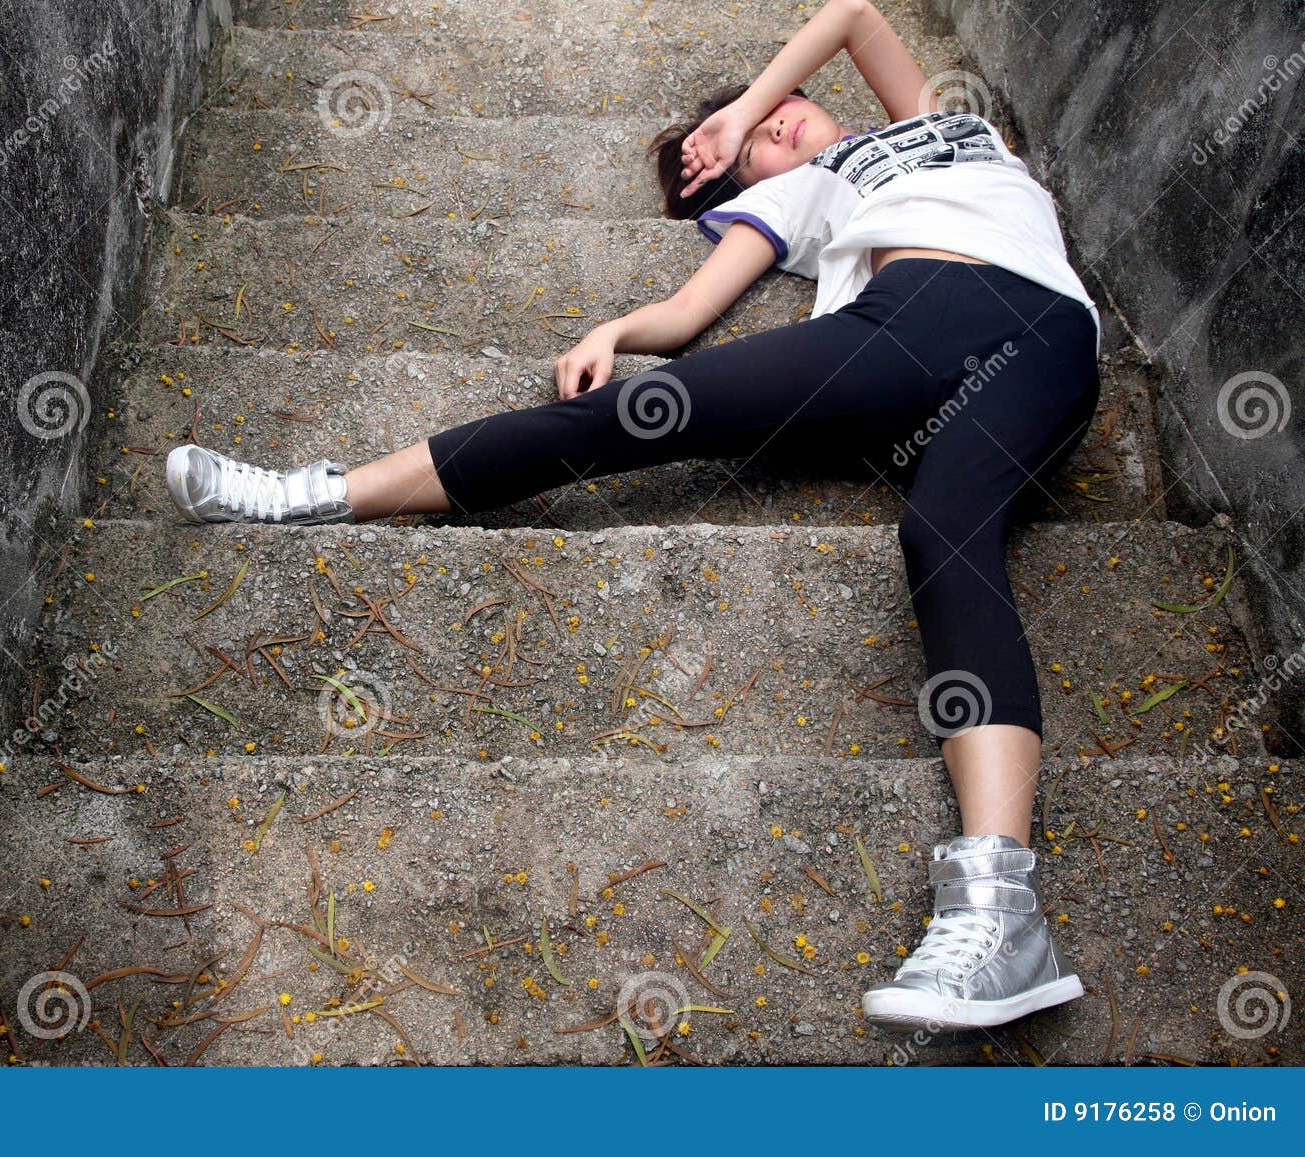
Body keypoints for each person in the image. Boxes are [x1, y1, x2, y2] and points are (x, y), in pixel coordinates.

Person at [166, 0, 1094, 1032]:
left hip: (1042, 329)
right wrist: (620, 323)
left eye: (785, 106)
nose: (778, 127)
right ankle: (320, 490)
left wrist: (739, 110)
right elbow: (693, 314)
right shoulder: (799, 191)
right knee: (653, 421)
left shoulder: (941, 118)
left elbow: (854, 13)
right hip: (893, 328)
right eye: (752, 149)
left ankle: (1001, 914)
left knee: (944, 530)